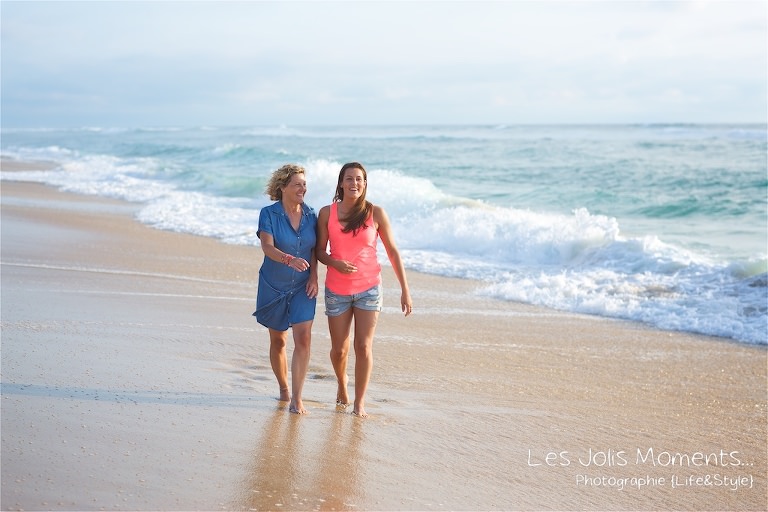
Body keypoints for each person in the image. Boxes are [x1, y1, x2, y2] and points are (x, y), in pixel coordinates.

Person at [315, 162, 412, 418]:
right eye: (349, 179)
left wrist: (405, 289)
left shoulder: (376, 213)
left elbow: (392, 252)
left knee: (364, 347)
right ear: (341, 183)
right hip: (337, 290)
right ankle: (341, 382)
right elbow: (318, 252)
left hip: (370, 288)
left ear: (365, 183)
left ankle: (359, 403)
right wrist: (334, 262)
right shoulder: (327, 213)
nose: (354, 183)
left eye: (359, 179)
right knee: (339, 349)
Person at [253, 164, 318, 414]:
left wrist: (314, 277)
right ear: (283, 188)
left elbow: (314, 250)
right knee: (279, 340)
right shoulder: (268, 214)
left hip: (303, 286)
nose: (303, 188)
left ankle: (297, 398)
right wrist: (289, 259)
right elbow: (267, 247)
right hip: (274, 284)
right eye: (297, 184)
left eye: (304, 184)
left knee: (303, 338)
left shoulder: (312, 215)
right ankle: (283, 388)